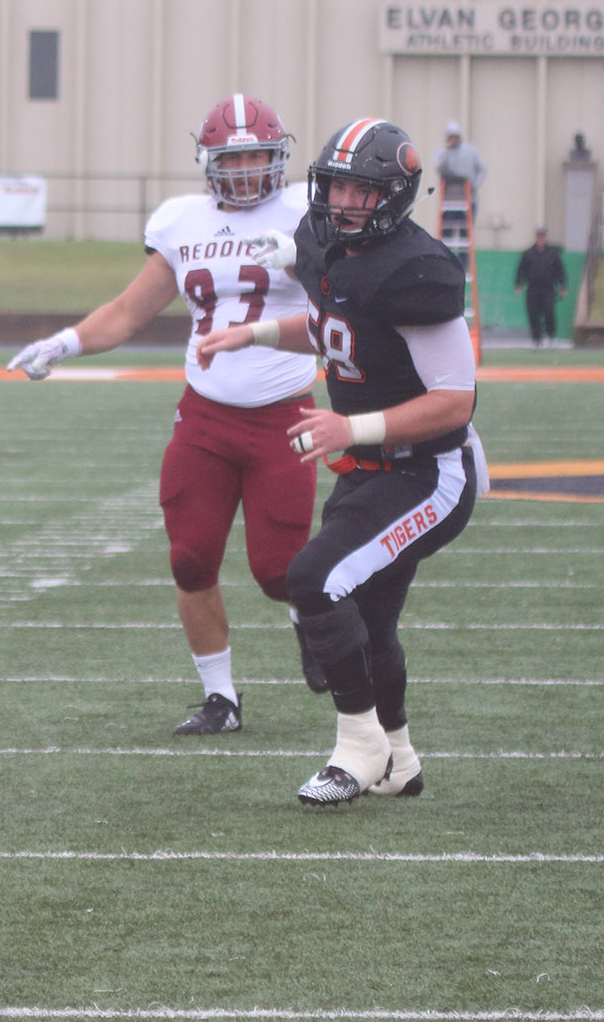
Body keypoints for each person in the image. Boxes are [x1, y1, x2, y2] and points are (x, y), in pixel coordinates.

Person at [6, 94, 320, 734]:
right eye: (233, 157)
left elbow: (338, 317)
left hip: (283, 416)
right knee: (189, 557)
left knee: (281, 572)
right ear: (208, 161)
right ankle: (221, 699)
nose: (247, 169)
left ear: (280, 155)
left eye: (258, 154)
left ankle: (314, 626)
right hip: (204, 417)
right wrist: (64, 343)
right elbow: (128, 311)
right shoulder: (182, 221)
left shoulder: (308, 217)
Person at [198, 118, 479, 807]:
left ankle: (358, 746)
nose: (346, 202)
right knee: (370, 621)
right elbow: (333, 327)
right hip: (372, 468)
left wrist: (351, 425)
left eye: (363, 189)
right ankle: (401, 760)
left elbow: (454, 401)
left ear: (395, 193)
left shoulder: (417, 271)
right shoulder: (321, 245)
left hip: (430, 472)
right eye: (338, 186)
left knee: (314, 579)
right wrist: (256, 332)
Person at [514, 226, 567, 349]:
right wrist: (518, 284)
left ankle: (551, 337)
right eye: (539, 236)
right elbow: (521, 269)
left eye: (543, 236)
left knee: (549, 311)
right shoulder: (528, 253)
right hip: (533, 288)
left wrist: (563, 285)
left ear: (546, 237)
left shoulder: (553, 253)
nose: (541, 238)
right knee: (533, 313)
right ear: (536, 237)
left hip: (548, 288)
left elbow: (560, 270)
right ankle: (536, 339)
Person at [436, 121, 487, 227]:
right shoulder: (442, 153)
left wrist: (474, 185)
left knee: (466, 229)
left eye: (455, 136)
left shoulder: (471, 151)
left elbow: (482, 169)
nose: (453, 139)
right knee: (447, 229)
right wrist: (446, 153)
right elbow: (440, 169)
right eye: (451, 137)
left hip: (469, 198)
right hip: (449, 200)